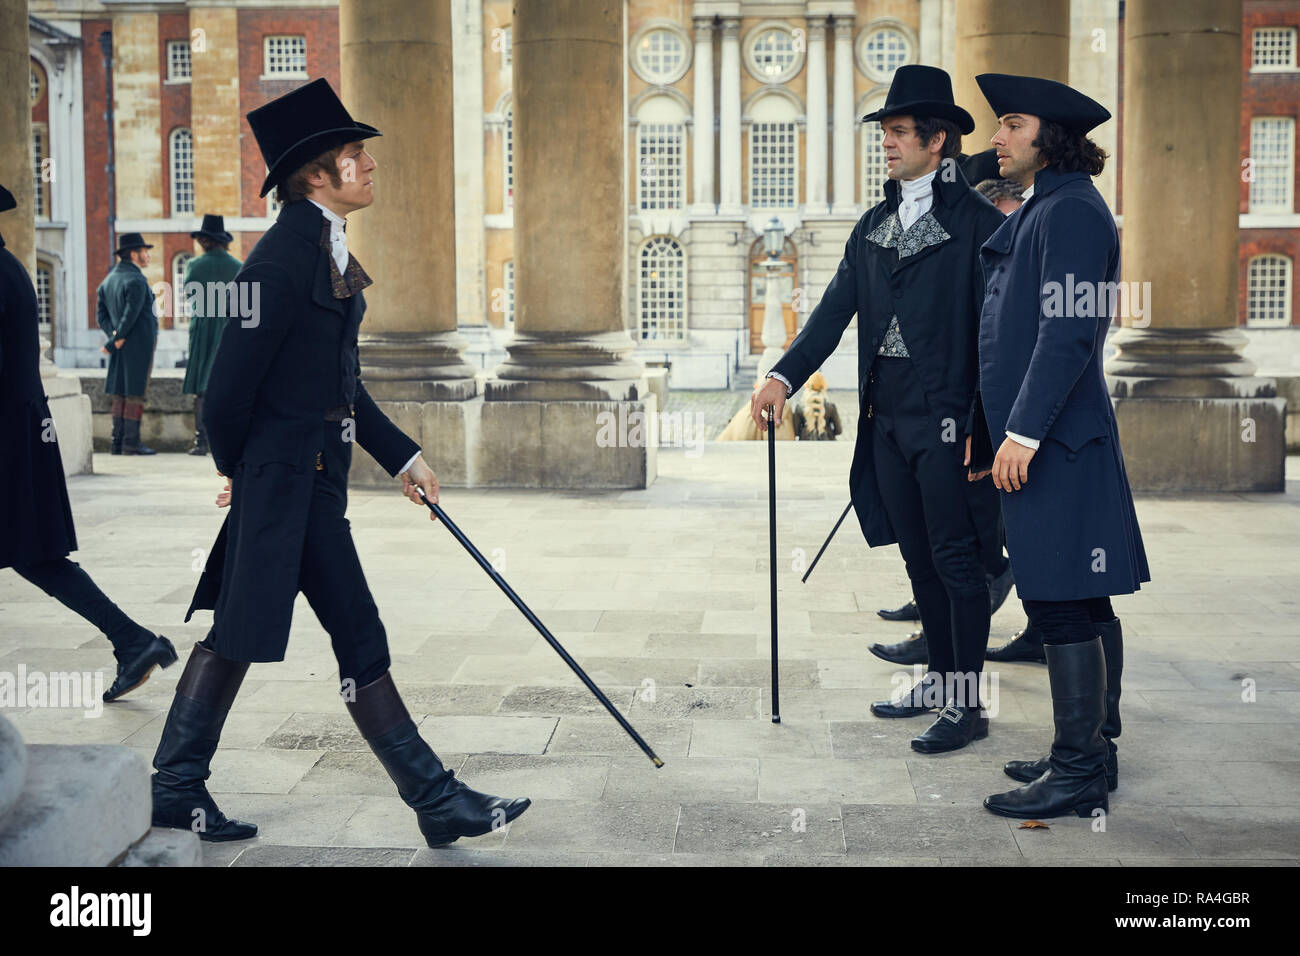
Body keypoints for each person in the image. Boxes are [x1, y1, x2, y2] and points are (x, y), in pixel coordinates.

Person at [149, 79, 530, 845]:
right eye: (353, 154)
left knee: (250, 631)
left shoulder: (322, 245)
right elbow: (224, 394)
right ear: (315, 174)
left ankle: (178, 783)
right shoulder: (277, 262)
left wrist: (403, 457)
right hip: (288, 480)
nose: (368, 163)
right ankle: (433, 798)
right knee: (328, 631)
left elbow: (341, 386)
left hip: (311, 480)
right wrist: (242, 469)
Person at [750, 66, 1005, 754]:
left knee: (957, 562)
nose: (886, 144)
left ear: (938, 140)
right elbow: (833, 313)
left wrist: (981, 432)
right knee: (918, 559)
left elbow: (996, 337)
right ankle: (939, 674)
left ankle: (966, 702)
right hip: (884, 416)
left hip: (948, 420)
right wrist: (782, 375)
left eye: (897, 133)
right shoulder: (873, 224)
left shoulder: (979, 224)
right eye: (886, 133)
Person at [969, 73, 1149, 819]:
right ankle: (1092, 750)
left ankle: (1078, 771)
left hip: (1056, 444)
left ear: (1052, 135)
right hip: (1054, 440)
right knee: (1081, 591)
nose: (998, 138)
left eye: (1011, 123)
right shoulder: (1052, 205)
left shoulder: (1071, 210)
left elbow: (1066, 331)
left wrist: (1021, 432)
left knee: (1060, 598)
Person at [0, 183, 177, 702]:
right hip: (21, 432)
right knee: (35, 555)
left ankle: (133, 639)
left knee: (36, 554)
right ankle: (132, 640)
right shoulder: (9, 268)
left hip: (10, 438)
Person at [181, 214, 242, 456]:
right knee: (228, 386)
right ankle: (225, 441)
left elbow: (190, 295)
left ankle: (201, 441)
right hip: (228, 329)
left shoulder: (194, 265)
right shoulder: (237, 266)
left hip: (203, 329)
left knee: (201, 389)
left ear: (204, 241)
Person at [95, 233, 157, 455]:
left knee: (119, 391)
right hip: (137, 345)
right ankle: (131, 442)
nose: (148, 255)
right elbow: (131, 314)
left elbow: (100, 315)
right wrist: (116, 339)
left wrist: (112, 335)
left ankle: (116, 442)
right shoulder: (136, 280)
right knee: (134, 393)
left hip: (121, 344)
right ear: (134, 254)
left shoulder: (108, 280)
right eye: (144, 251)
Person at [790, 371, 842, 441]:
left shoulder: (799, 407)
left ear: (807, 386)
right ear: (823, 386)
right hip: (829, 443)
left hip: (805, 443)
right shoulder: (831, 407)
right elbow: (838, 430)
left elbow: (796, 431)